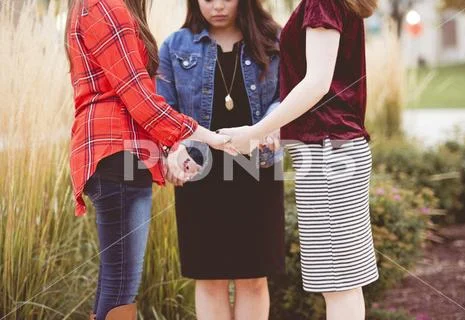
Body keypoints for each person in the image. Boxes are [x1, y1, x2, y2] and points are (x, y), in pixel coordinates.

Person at [64, 0, 232, 319]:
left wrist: (170, 146)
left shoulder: (93, 6)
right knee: (120, 285)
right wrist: (205, 135)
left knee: (114, 281)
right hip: (118, 152)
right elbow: (139, 98)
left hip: (115, 150)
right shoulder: (105, 6)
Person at [219, 0, 380, 319]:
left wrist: (256, 131)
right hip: (331, 149)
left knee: (339, 286)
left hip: (328, 152)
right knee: (341, 284)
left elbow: (318, 83)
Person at [157, 0, 284, 319]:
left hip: (258, 170)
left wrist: (268, 128)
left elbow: (285, 96)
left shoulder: (273, 40)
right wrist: (174, 148)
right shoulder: (175, 46)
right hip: (200, 174)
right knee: (210, 279)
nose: (216, 6)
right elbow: (163, 111)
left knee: (253, 279)